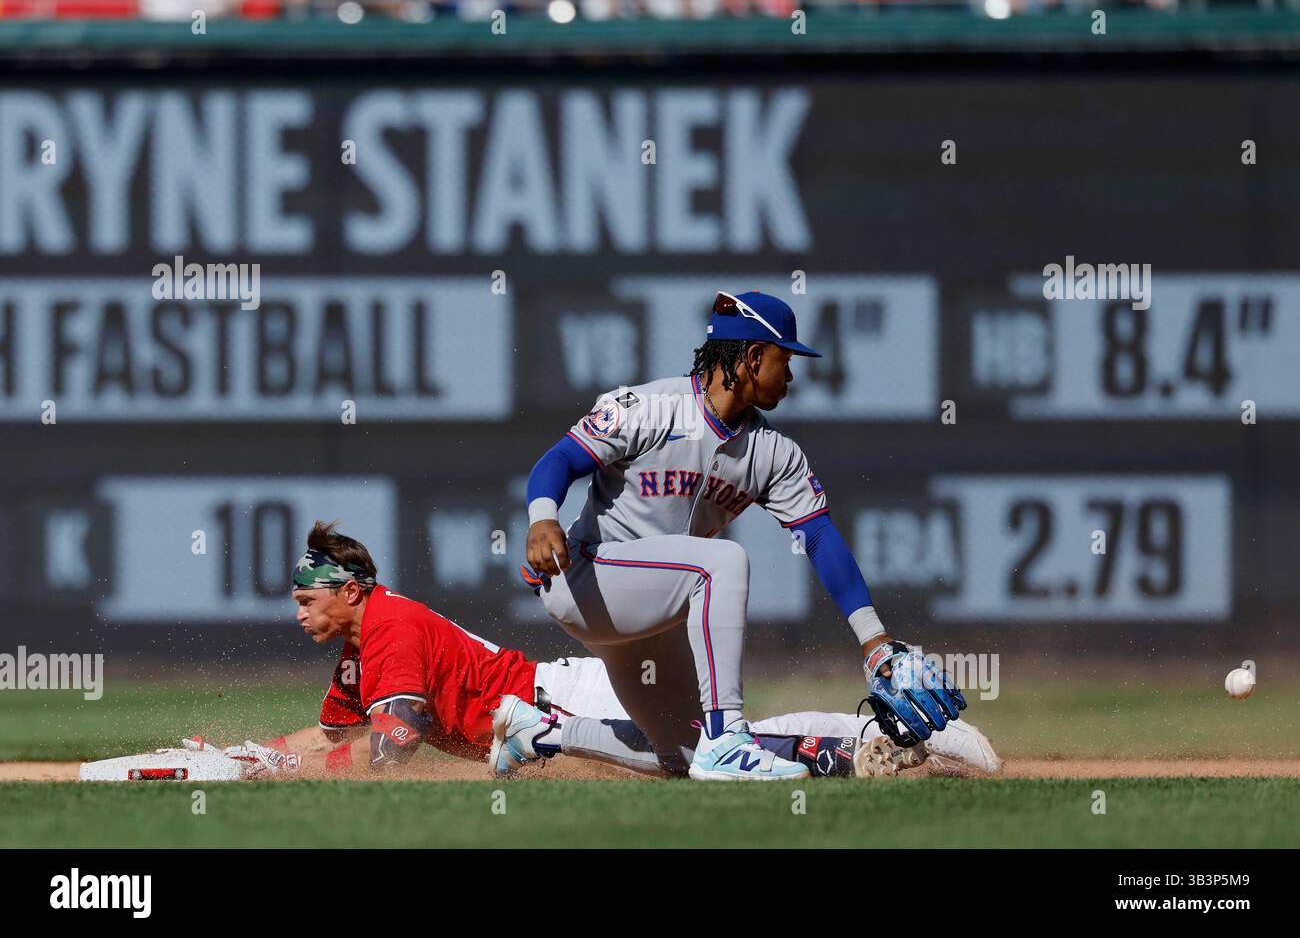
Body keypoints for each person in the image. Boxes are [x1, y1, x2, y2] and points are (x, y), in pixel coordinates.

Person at [522, 290, 968, 780]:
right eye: (786, 359)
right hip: (588, 578)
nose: (792, 375)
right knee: (722, 563)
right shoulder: (649, 407)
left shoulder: (773, 453)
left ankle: (539, 732)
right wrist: (544, 518)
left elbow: (819, 538)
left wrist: (874, 640)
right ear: (754, 357)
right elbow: (558, 460)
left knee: (679, 755)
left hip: (650, 614)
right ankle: (728, 733)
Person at [254, 520, 997, 779]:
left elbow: (396, 743)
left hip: (563, 700)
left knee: (718, 751)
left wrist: (313, 769)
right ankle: (871, 736)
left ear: (348, 589)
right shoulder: (360, 649)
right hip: (549, 705)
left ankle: (884, 731)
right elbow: (333, 733)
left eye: (306, 596)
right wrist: (262, 757)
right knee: (708, 755)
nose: (298, 611)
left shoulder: (389, 625)